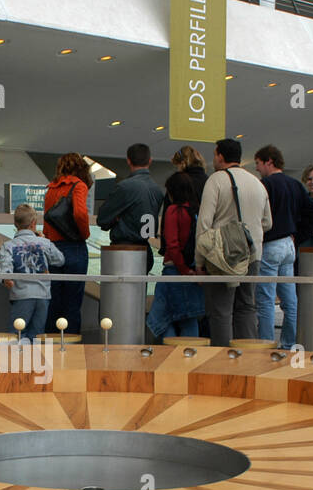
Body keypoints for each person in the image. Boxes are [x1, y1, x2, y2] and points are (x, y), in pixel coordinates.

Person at [196, 138, 272, 345]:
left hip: (223, 257)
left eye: (214, 154)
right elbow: (267, 223)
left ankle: (222, 360)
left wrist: (200, 262)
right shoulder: (257, 183)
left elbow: (204, 224)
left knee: (221, 310)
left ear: (220, 156)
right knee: (247, 306)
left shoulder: (216, 180)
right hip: (253, 253)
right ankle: (247, 358)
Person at [254, 145, 313, 349]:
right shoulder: (295, 185)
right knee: (290, 300)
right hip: (289, 247)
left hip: (270, 244)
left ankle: (265, 344)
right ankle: (289, 343)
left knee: (265, 299)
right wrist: (296, 237)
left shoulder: (265, 185)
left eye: (258, 163)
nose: (257, 168)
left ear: (268, 162)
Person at [147, 171, 206, 339]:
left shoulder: (174, 211)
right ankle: (189, 355)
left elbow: (172, 244)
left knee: (161, 318)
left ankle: (173, 355)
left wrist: (183, 269)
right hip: (195, 270)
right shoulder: (196, 211)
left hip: (175, 271)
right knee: (189, 318)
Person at [43, 152, 93, 334]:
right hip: (74, 248)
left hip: (53, 247)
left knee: (54, 300)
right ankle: (71, 347)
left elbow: (47, 221)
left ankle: (50, 343)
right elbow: (80, 213)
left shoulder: (51, 188)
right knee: (72, 302)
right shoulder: (79, 186)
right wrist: (84, 233)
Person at [0, 204, 65, 341]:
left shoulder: (8, 245)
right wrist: (43, 239)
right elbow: (60, 260)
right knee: (37, 336)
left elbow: (6, 269)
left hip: (21, 295)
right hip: (43, 295)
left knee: (16, 335)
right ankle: (35, 361)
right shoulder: (44, 243)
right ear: (34, 223)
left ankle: (17, 362)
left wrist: (6, 279)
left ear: (15, 223)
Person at [97, 143, 164, 274]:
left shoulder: (125, 187)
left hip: (124, 252)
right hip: (146, 250)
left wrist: (117, 218)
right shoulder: (157, 190)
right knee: (139, 293)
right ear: (150, 161)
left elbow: (102, 219)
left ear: (128, 160)